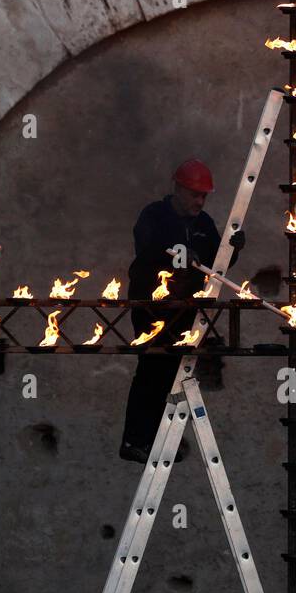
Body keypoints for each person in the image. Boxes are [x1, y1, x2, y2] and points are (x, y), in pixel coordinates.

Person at [118, 158, 245, 463]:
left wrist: (234, 248)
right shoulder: (154, 215)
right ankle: (135, 441)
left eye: (203, 196)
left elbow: (217, 265)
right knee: (152, 369)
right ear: (178, 189)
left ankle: (154, 442)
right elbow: (146, 249)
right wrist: (175, 252)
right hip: (153, 308)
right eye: (194, 195)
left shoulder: (203, 224)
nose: (199, 202)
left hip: (187, 309)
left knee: (172, 375)